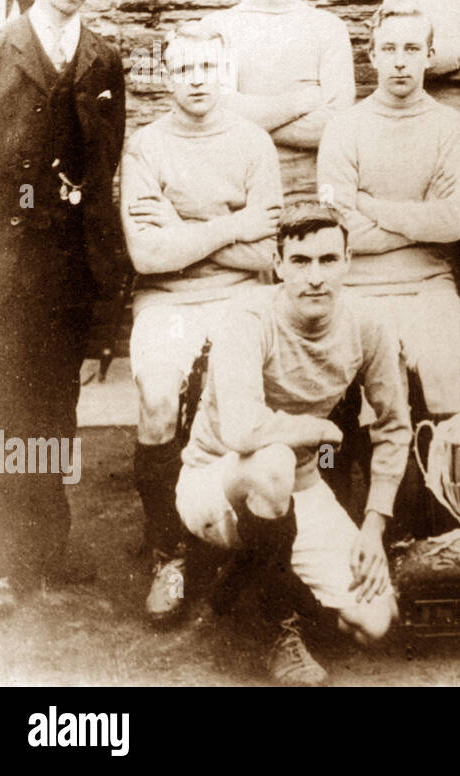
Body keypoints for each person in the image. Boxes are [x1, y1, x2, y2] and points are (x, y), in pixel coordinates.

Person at [176, 202, 410, 685]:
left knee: (374, 622)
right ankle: (276, 627)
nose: (315, 277)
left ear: (348, 262)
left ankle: (249, 570)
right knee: (274, 461)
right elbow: (242, 432)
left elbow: (393, 426)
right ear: (278, 265)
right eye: (300, 262)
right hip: (216, 480)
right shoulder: (246, 317)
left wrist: (373, 526)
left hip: (296, 488)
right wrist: (315, 429)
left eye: (328, 260)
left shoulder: (369, 325)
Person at [0, 0, 128, 618]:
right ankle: (3, 564)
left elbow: (102, 177)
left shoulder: (104, 62)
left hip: (69, 272)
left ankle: (48, 547)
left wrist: (105, 293)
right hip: (3, 272)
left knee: (57, 415)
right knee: (4, 417)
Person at [120, 26, 282, 624]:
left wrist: (182, 227)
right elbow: (147, 256)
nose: (196, 79)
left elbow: (267, 254)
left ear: (224, 71)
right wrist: (231, 225)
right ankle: (169, 551)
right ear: (166, 75)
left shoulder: (254, 142)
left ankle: (244, 535)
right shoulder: (145, 146)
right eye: (184, 68)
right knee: (157, 392)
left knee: (245, 402)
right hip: (167, 299)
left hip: (242, 295)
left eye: (207, 66)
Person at [317, 0, 460, 449]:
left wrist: (368, 204)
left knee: (444, 369)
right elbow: (339, 231)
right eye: (389, 48)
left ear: (429, 54)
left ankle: (437, 502)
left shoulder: (452, 128)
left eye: (412, 48)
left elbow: (452, 222)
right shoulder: (344, 129)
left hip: (428, 284)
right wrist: (416, 219)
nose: (400, 60)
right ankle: (346, 501)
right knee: (352, 387)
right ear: (372, 55)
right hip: (358, 288)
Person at [205, 0, 355, 204]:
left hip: (310, 193)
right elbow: (212, 114)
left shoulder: (329, 29)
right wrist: (300, 102)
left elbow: (336, 125)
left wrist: (246, 115)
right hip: (237, 191)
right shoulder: (216, 28)